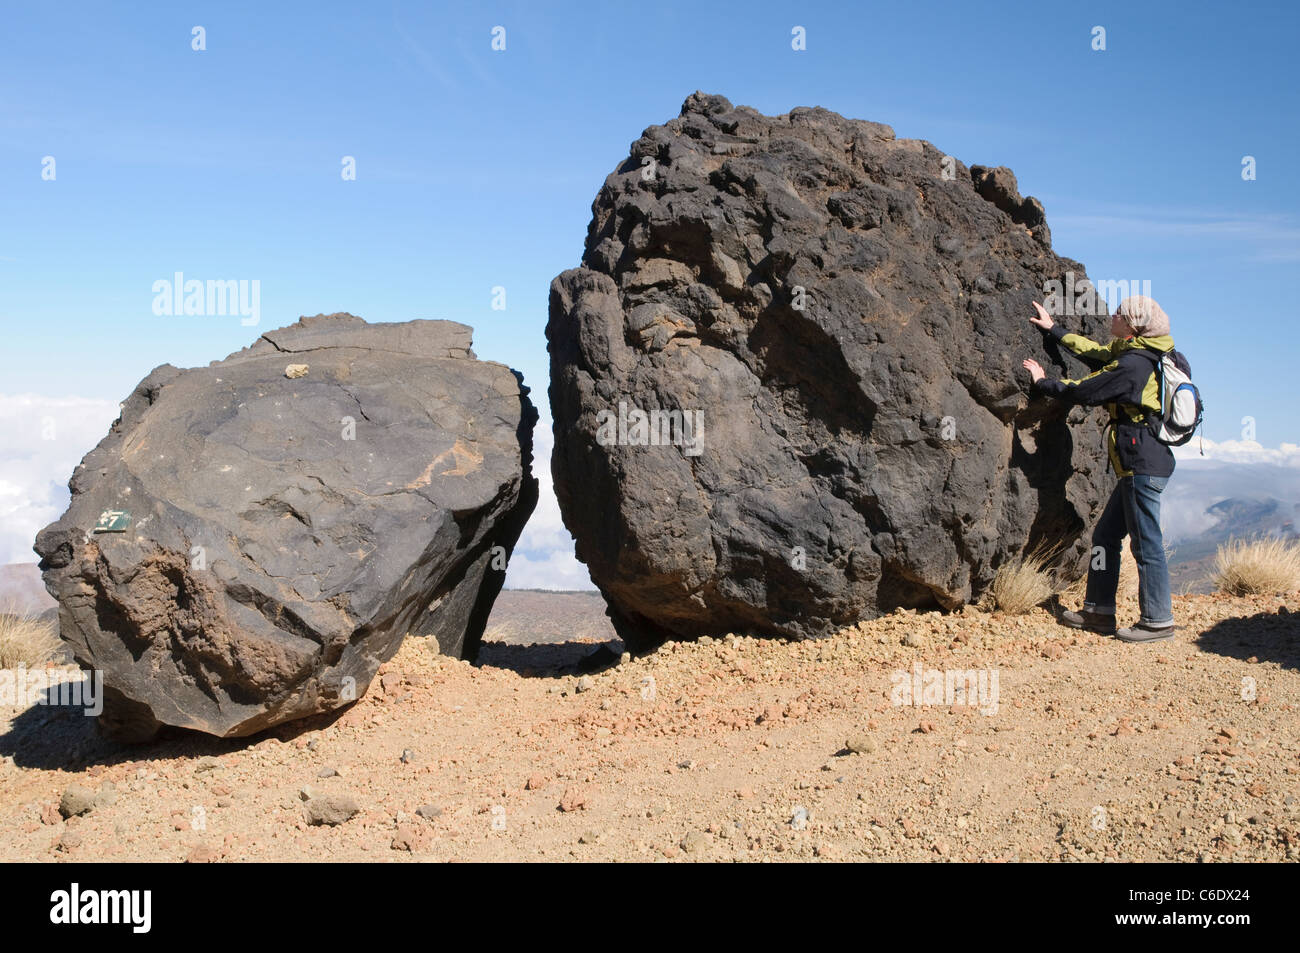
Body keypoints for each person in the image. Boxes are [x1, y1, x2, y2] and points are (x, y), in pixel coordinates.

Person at [1022, 295, 1177, 643]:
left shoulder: (1134, 365)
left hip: (1142, 463)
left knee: (1146, 543)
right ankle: (1098, 611)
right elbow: (1095, 352)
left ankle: (1157, 620)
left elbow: (1088, 390)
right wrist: (1054, 331)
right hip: (1138, 463)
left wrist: (1043, 383)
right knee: (1106, 537)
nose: (1114, 315)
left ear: (1134, 325)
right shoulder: (1138, 354)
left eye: (1120, 313)